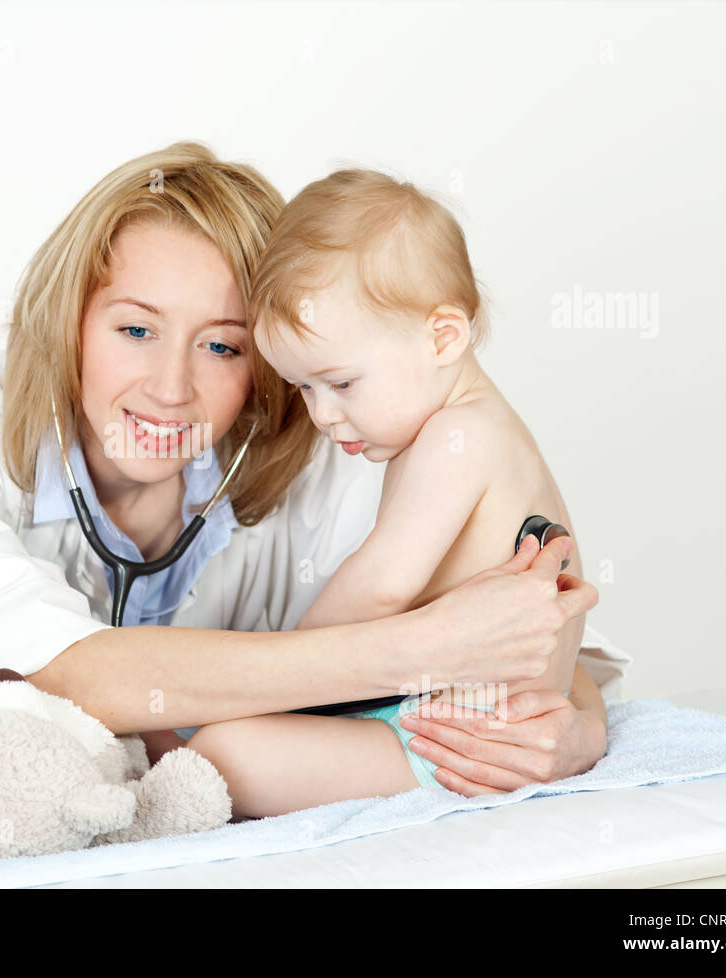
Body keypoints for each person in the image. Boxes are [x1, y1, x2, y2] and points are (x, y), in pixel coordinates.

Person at [0, 141, 629, 797]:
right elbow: (71, 675)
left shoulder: (339, 440)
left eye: (222, 346)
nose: (171, 388)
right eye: (136, 330)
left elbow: (538, 627)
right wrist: (419, 649)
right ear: (65, 315)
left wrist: (574, 734)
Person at [177, 167, 591, 815]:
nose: (321, 414)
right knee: (208, 739)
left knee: (225, 754)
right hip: (448, 717)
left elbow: (382, 587)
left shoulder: (458, 437)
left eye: (340, 383)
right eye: (303, 388)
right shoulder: (473, 429)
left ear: (443, 337)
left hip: (460, 743)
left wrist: (287, 673)